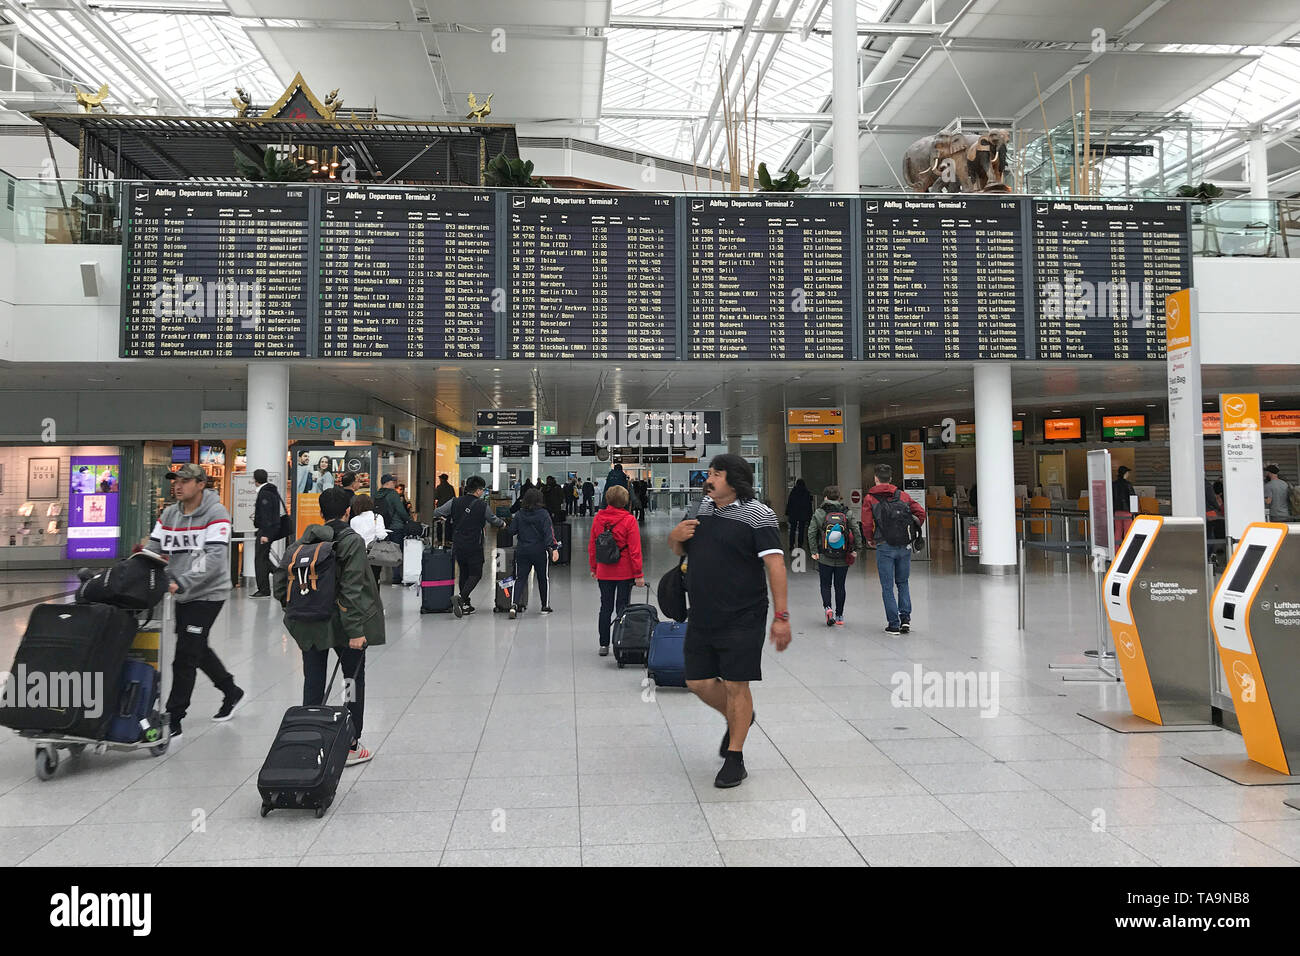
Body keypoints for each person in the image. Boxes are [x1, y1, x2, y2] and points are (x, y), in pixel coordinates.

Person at [668, 454, 790, 789]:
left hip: (743, 615)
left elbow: (776, 566)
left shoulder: (759, 515)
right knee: (698, 682)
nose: (709, 479)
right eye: (708, 473)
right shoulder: (700, 508)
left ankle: (735, 758)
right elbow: (679, 550)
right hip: (702, 613)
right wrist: (676, 536)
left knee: (737, 685)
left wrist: (781, 617)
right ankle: (742, 717)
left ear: (735, 480)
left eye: (716, 474)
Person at [276, 486, 383, 766]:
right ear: (348, 511)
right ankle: (349, 743)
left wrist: (299, 614)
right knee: (351, 682)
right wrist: (356, 630)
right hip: (344, 628)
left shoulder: (301, 543)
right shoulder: (351, 541)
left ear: (321, 513)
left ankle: (311, 741)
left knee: (313, 682)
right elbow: (352, 589)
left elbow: (280, 586)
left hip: (309, 626)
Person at [147, 462, 245, 741]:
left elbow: (214, 558)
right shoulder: (168, 513)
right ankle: (231, 690)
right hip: (182, 593)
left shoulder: (216, 513)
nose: (177, 486)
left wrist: (183, 581)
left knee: (185, 655)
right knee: (196, 647)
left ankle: (174, 717)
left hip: (209, 593)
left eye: (185, 481)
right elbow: (154, 549)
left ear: (201, 484)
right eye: (175, 481)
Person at [861, 464, 927, 636]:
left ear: (876, 478)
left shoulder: (870, 498)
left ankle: (893, 624)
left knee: (887, 586)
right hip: (904, 546)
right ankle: (905, 620)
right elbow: (921, 513)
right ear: (890, 478)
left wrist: (870, 539)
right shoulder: (903, 496)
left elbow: (867, 524)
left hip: (884, 545)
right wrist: (912, 529)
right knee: (903, 583)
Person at [434, 474, 505, 616]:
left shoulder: (454, 501)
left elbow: (437, 511)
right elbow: (493, 519)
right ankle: (461, 598)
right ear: (478, 490)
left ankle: (466, 605)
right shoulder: (481, 505)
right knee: (476, 574)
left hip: (458, 544)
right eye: (482, 490)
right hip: (474, 544)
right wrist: (503, 523)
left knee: (464, 573)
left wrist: (445, 518)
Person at [589, 485, 644, 656]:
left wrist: (594, 567)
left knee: (605, 607)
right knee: (623, 607)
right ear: (626, 501)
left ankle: (603, 644)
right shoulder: (629, 520)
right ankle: (621, 642)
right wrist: (639, 574)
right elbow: (635, 550)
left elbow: (593, 546)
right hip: (625, 571)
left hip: (604, 570)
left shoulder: (598, 519)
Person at [808, 485, 864, 628]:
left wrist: (814, 551)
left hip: (824, 556)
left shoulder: (820, 513)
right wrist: (857, 548)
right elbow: (856, 531)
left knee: (825, 584)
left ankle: (828, 608)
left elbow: (811, 532)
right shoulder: (847, 512)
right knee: (840, 586)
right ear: (839, 498)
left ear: (825, 497)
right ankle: (839, 616)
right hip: (843, 556)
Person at [508, 488, 560, 615]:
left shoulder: (519, 514)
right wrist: (553, 548)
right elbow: (549, 533)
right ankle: (544, 606)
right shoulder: (543, 514)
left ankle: (514, 605)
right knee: (543, 578)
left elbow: (511, 531)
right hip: (540, 551)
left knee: (520, 578)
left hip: (522, 550)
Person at [251, 468, 285, 598]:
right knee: (263, 557)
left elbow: (266, 514)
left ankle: (264, 589)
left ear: (255, 480)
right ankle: (280, 576)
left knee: (260, 559)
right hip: (271, 529)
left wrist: (265, 534)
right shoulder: (271, 490)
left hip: (265, 530)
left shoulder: (264, 493)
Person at [374, 474, 413, 585]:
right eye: (392, 482)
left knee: (381, 551)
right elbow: (400, 510)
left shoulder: (377, 494)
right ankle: (396, 578)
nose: (394, 484)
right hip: (396, 527)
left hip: (383, 527)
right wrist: (409, 520)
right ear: (387, 483)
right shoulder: (393, 494)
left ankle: (379, 576)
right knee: (396, 552)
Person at [349, 492, 387, 587]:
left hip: (358, 553)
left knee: (360, 580)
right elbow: (381, 535)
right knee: (374, 580)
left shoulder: (353, 520)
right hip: (375, 554)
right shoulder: (377, 517)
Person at [785, 478, 814, 554]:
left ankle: (791, 544)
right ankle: (800, 545)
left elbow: (789, 503)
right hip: (803, 514)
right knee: (801, 530)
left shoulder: (793, 492)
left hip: (794, 514)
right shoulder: (806, 493)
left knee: (792, 529)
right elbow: (809, 505)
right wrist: (810, 515)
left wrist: (787, 513)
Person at [1112, 465, 1137, 543]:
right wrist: (1134, 511)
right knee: (1127, 531)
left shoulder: (1113, 484)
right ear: (1125, 473)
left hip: (1117, 511)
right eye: (1128, 472)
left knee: (1118, 531)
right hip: (1127, 511)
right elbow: (1132, 497)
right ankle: (1125, 550)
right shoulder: (1128, 484)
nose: (1128, 474)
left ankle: (1116, 550)